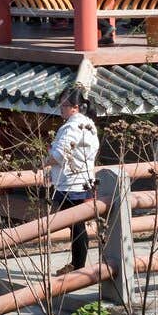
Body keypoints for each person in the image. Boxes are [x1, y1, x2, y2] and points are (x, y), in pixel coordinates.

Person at [46, 89, 99, 273]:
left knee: (75, 225)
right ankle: (78, 264)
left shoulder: (70, 127)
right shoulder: (89, 124)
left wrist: (44, 162)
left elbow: (59, 155)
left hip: (70, 183)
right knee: (77, 224)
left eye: (64, 106)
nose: (61, 109)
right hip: (85, 180)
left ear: (75, 108)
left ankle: (78, 265)